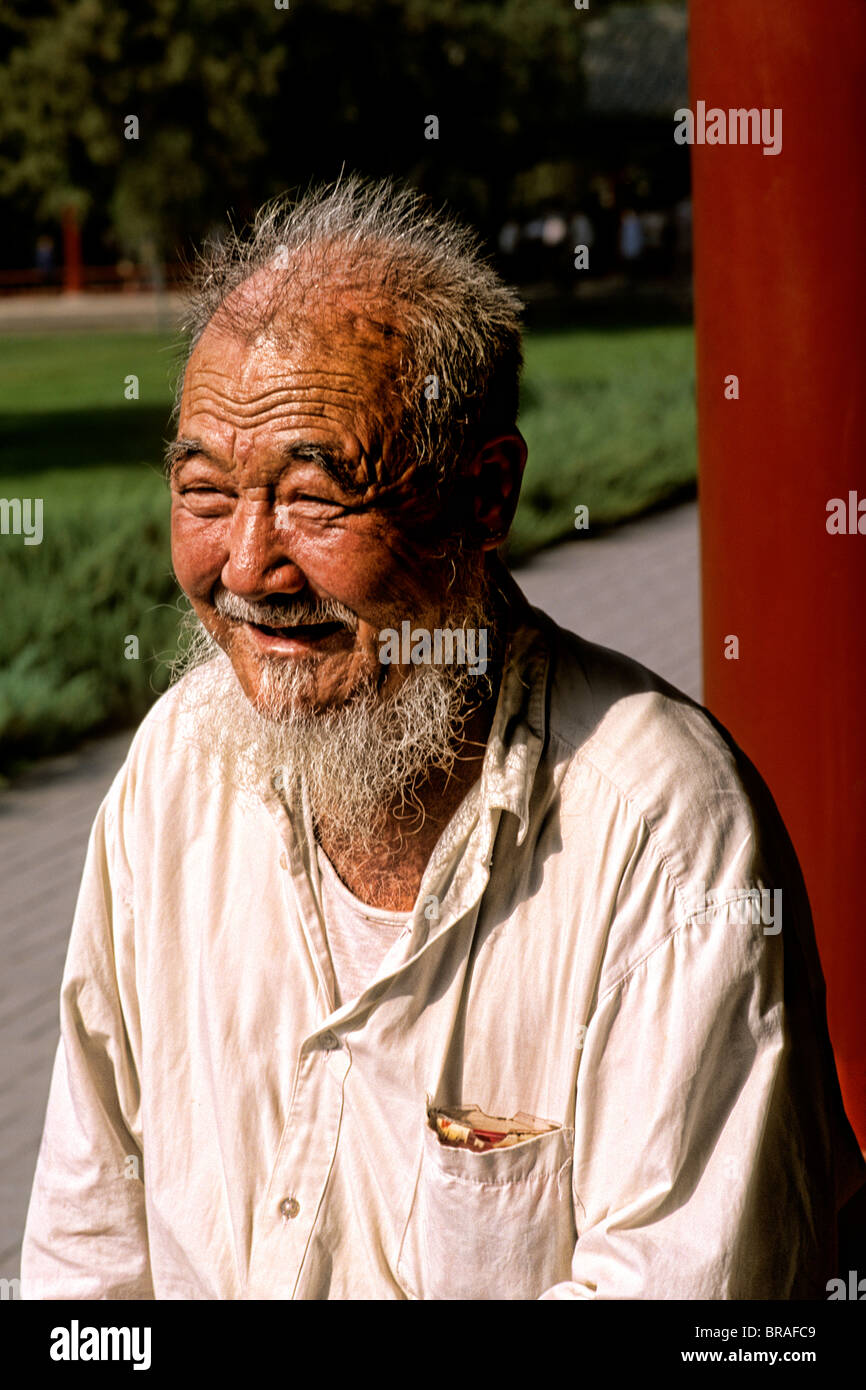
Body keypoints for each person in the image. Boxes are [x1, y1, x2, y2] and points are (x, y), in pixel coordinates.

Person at [21, 176, 865, 1301]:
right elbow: (86, 1255)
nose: (244, 568)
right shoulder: (174, 773)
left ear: (484, 495)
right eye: (206, 489)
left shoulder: (662, 834)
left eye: (314, 499)